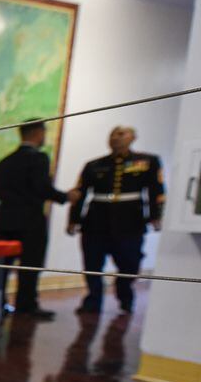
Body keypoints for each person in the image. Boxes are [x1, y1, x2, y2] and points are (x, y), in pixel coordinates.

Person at [67, 126, 164, 314]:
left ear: (133, 137)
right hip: (96, 221)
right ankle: (93, 300)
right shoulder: (93, 165)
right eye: (112, 134)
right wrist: (74, 219)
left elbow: (156, 190)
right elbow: (80, 193)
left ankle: (125, 296)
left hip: (130, 221)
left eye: (121, 134)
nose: (115, 138)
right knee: (92, 263)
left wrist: (155, 216)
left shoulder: (147, 162)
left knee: (130, 263)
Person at [0, 120, 79, 319]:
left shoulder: (5, 162)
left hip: (7, 219)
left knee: (2, 265)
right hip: (31, 220)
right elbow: (42, 188)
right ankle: (26, 304)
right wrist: (65, 197)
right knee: (30, 264)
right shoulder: (38, 158)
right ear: (38, 133)